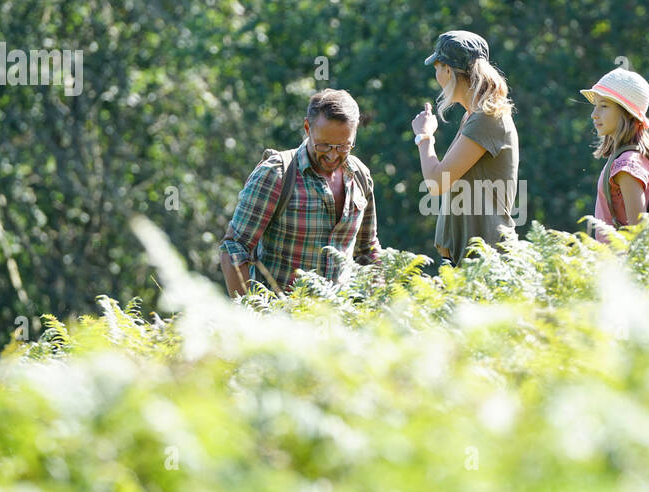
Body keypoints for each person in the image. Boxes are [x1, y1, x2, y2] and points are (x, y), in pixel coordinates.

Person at [219, 89, 382, 296]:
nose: (332, 155)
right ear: (307, 128)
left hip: (339, 322)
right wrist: (251, 316)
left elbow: (367, 250)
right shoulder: (277, 174)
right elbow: (234, 248)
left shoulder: (361, 177)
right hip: (280, 320)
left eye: (343, 146)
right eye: (324, 145)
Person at [410, 30, 519, 265]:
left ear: (448, 70)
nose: (436, 74)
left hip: (485, 262)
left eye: (437, 66)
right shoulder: (474, 116)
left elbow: (436, 182)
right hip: (473, 260)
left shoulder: (486, 118)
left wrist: (424, 136)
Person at [582, 66, 649, 242]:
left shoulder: (627, 166)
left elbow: (639, 238)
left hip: (619, 268)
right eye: (595, 106)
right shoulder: (630, 159)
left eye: (603, 106)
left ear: (627, 113)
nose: (594, 115)